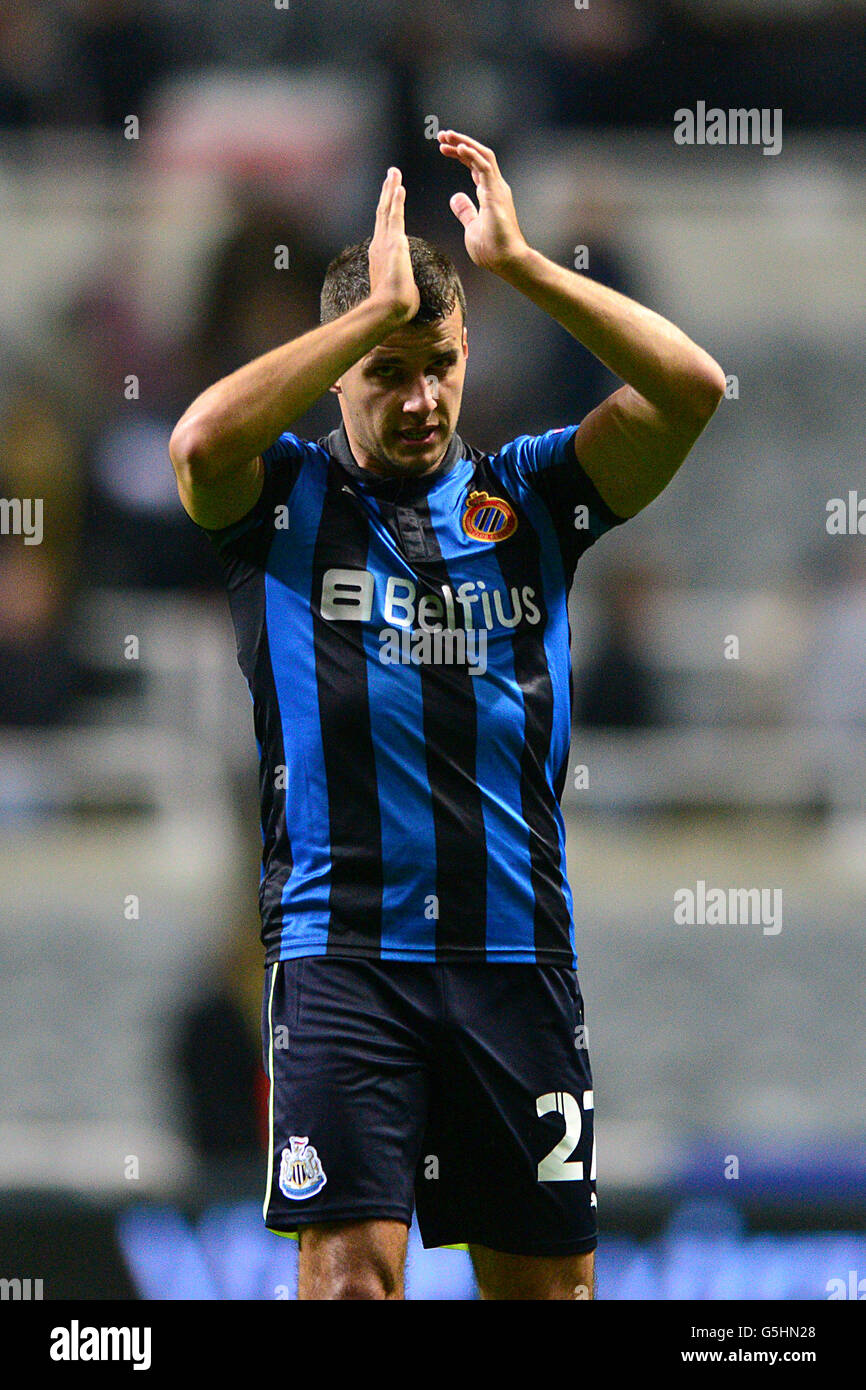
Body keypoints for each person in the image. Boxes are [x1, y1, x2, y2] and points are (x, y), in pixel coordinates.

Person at [169, 130, 725, 1299]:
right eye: (386, 369)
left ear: (468, 349)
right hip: (344, 954)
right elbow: (197, 441)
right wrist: (355, 321)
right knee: (352, 1280)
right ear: (340, 368)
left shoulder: (527, 496)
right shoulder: (281, 501)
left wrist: (522, 267)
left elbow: (688, 388)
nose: (421, 399)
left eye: (441, 362)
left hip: (513, 954)